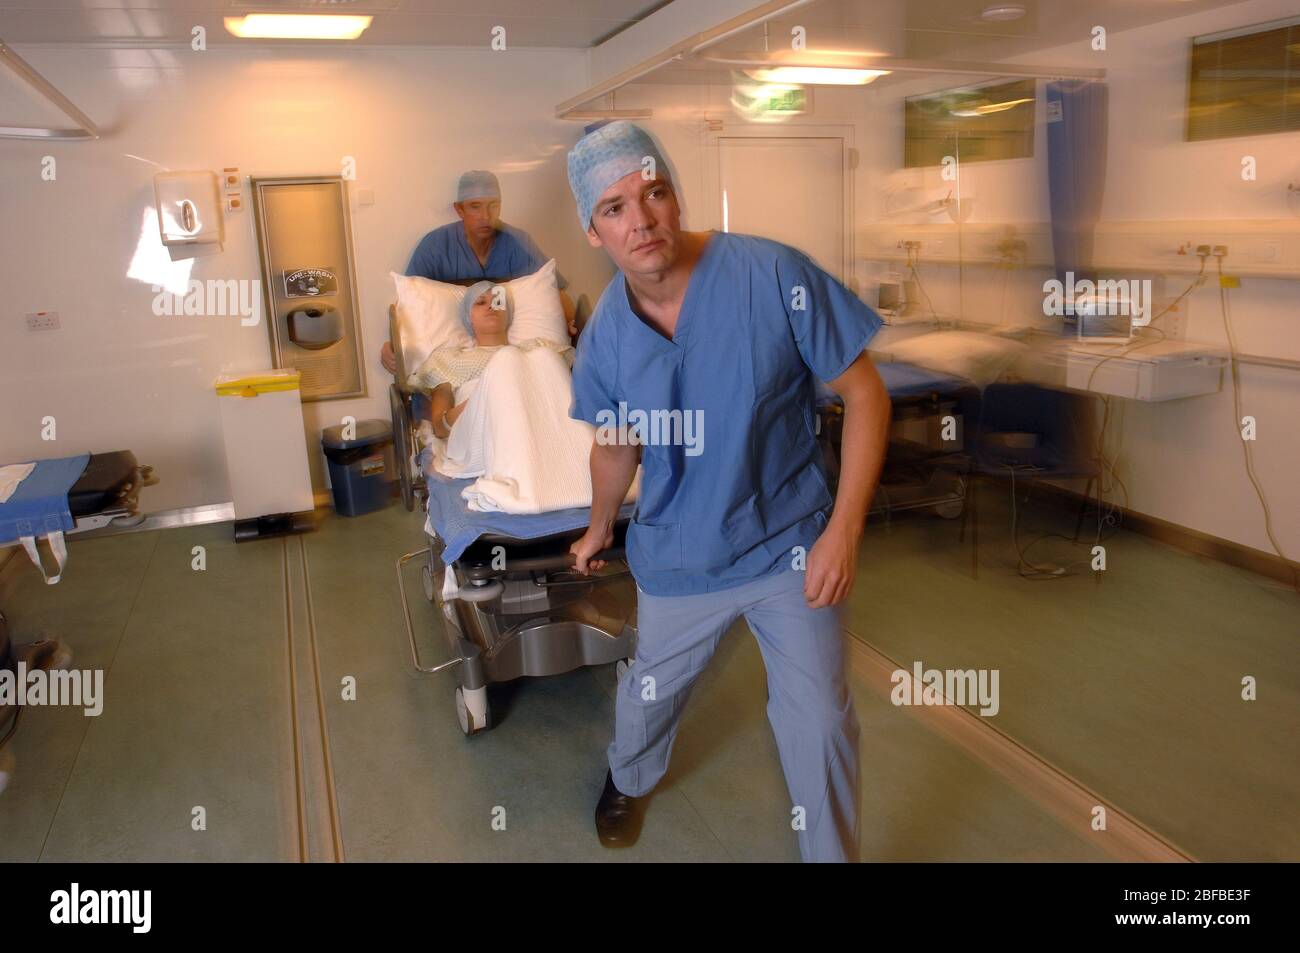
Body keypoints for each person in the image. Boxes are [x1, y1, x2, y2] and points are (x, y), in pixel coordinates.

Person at [564, 121, 892, 863]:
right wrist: (597, 526)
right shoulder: (608, 338)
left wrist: (843, 531)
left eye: (654, 192)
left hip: (790, 543)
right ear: (593, 230)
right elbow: (615, 446)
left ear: (677, 195)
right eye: (614, 207)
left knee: (820, 722)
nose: (641, 220)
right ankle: (628, 774)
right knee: (649, 696)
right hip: (681, 557)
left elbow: (867, 397)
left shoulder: (774, 275)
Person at [380, 169, 576, 374]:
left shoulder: (518, 242)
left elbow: (552, 290)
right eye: (475, 207)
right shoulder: (435, 247)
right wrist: (393, 344)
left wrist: (567, 322)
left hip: (510, 356)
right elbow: (412, 301)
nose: (485, 216)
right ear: (459, 210)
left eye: (493, 205)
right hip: (459, 361)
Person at [412, 281, 573, 441]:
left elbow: (566, 384)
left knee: (544, 356)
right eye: (481, 302)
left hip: (546, 423)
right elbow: (440, 428)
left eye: (498, 301)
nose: (491, 306)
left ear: (507, 314)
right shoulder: (449, 359)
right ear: (468, 317)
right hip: (484, 434)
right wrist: (481, 399)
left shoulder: (537, 347)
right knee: (507, 358)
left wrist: (570, 325)